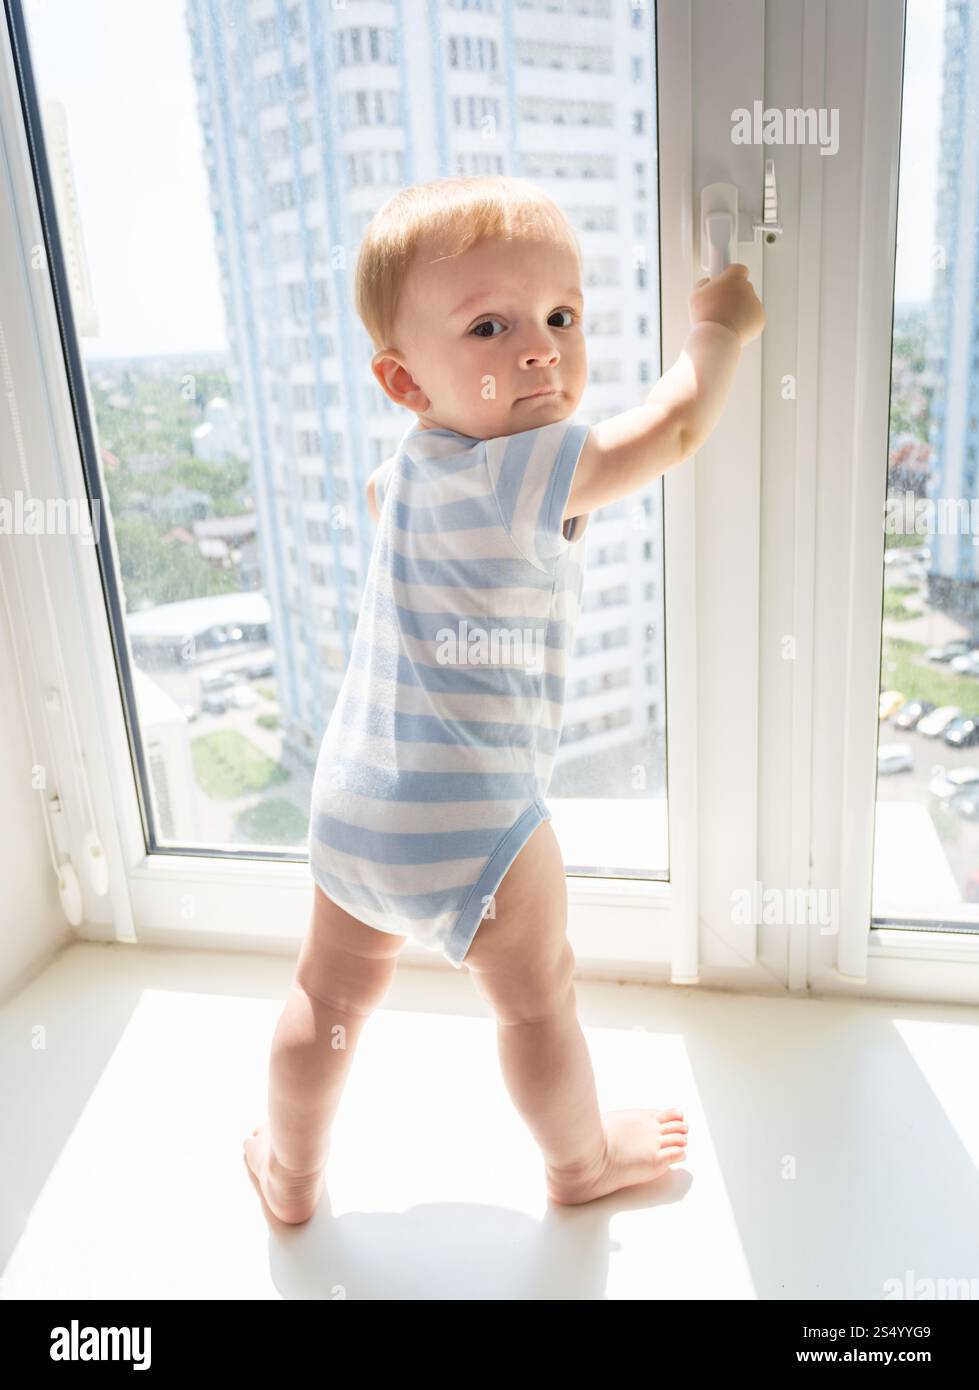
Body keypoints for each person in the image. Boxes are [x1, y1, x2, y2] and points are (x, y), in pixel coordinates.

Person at [245, 174, 765, 1222]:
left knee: (326, 997)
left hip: (353, 804)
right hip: (480, 823)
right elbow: (670, 432)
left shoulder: (410, 469)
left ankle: (290, 1176)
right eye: (491, 326)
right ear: (405, 380)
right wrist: (718, 331)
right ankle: (580, 1166)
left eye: (561, 317)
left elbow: (386, 505)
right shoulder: (523, 466)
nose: (540, 348)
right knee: (535, 1008)